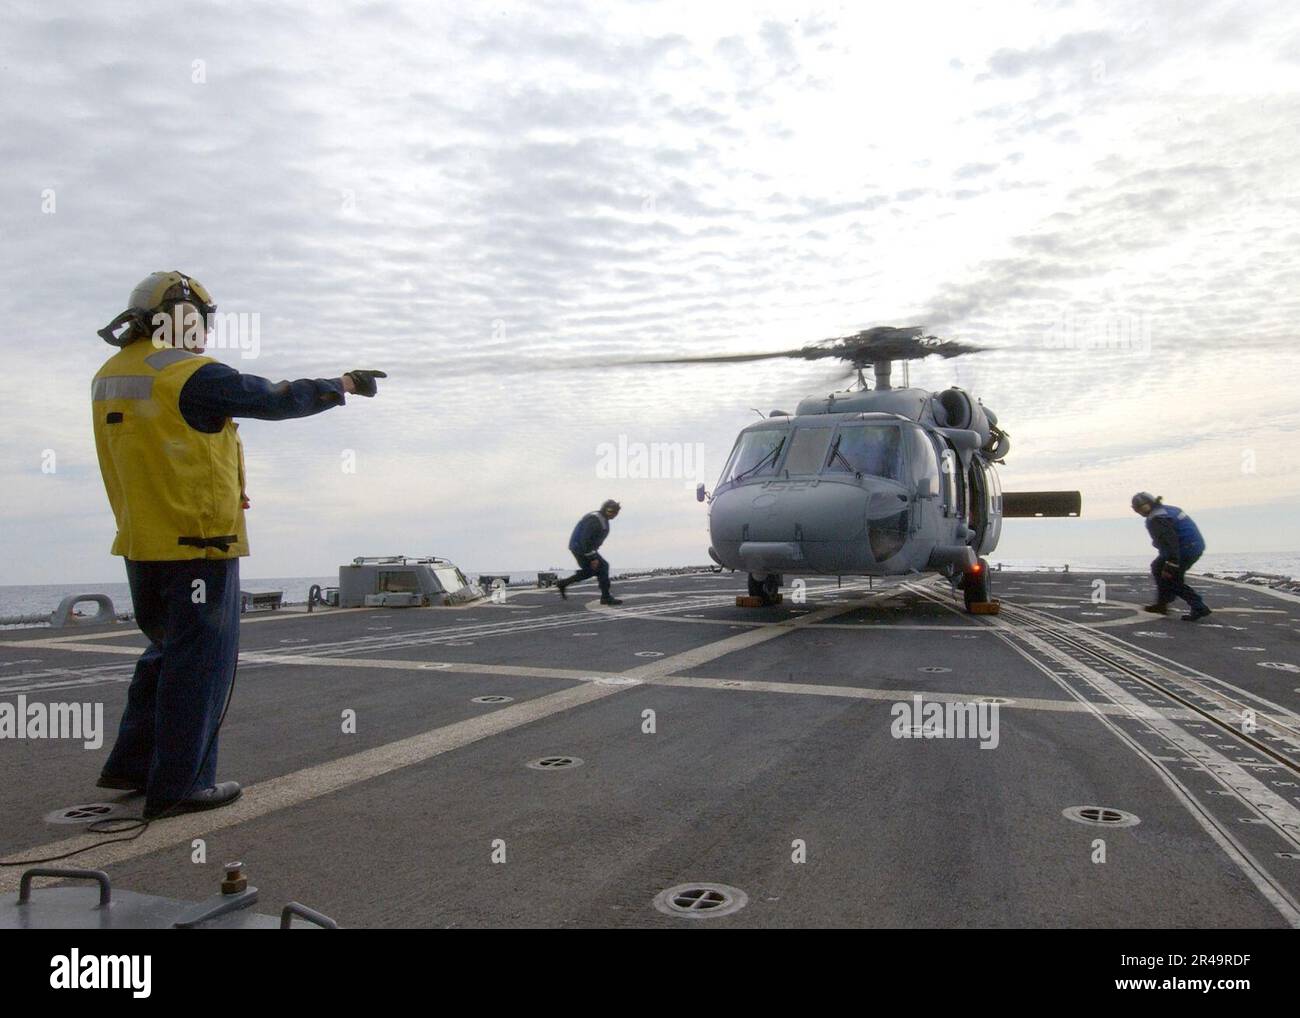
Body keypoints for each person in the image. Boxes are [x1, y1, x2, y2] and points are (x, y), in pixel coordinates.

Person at [93, 270, 386, 818]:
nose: (205, 333)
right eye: (202, 321)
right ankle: (182, 784)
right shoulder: (188, 373)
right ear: (181, 317)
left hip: (140, 543)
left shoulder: (112, 373)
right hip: (198, 545)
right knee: (199, 665)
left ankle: (132, 765)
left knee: (163, 654)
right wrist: (343, 385)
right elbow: (274, 399)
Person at [1130, 492, 1210, 621]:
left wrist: (1171, 564)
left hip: (1184, 550)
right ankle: (1162, 604)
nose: (1139, 512)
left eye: (1139, 508)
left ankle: (1199, 607)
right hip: (1191, 547)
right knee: (1157, 567)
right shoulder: (1168, 510)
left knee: (1172, 579)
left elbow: (1170, 541)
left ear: (1147, 506)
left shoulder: (1157, 518)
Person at [556, 499, 623, 606]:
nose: (614, 515)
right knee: (603, 567)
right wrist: (593, 558)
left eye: (615, 512)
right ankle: (605, 597)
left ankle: (563, 583)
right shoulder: (595, 520)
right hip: (581, 548)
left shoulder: (601, 518)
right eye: (612, 512)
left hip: (582, 548)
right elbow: (585, 540)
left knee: (591, 571)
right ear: (605, 510)